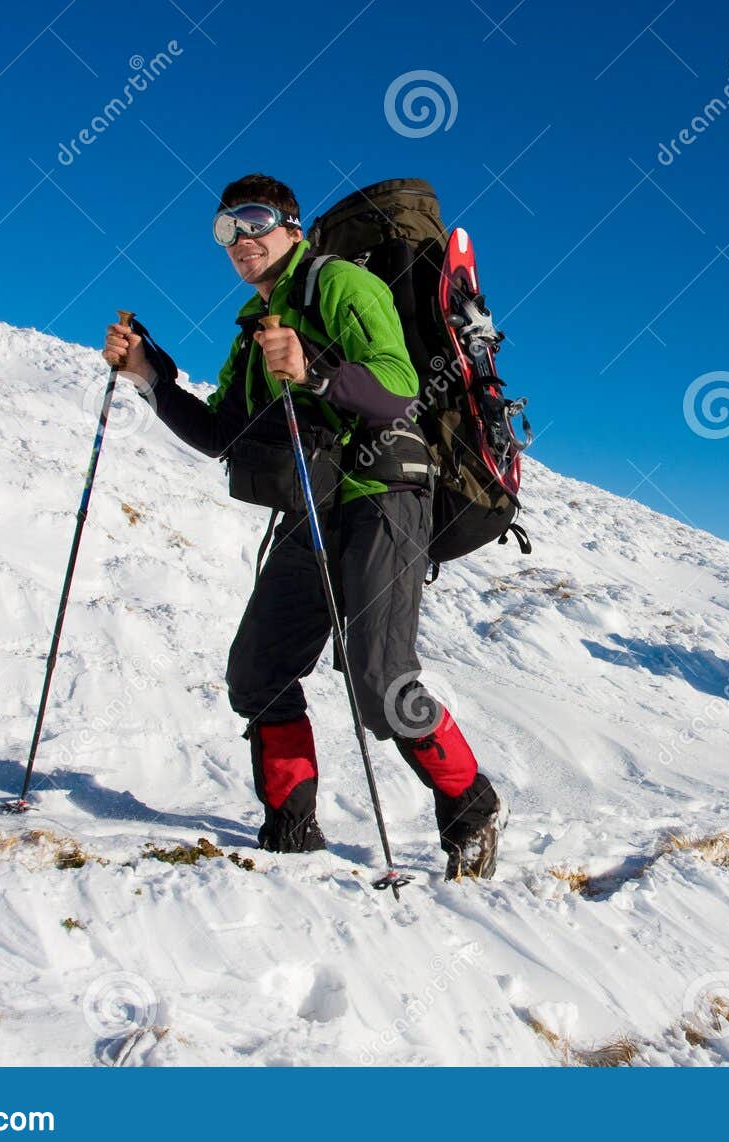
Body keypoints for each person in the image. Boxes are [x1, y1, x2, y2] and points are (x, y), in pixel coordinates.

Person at [101, 173, 504, 879]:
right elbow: (225, 433)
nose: (240, 240)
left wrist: (315, 370)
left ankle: (471, 810)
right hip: (314, 503)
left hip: (386, 490)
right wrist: (151, 377)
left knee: (381, 680)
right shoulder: (255, 328)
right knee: (257, 672)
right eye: (226, 229)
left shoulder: (341, 284)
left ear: (293, 226)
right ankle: (291, 833)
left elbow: (399, 391)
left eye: (254, 221)